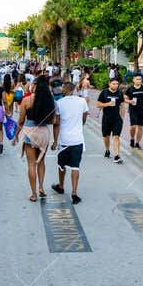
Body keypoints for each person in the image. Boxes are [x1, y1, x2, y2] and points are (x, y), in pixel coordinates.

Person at [20, 74, 58, 202]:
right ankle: (41, 187)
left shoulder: (26, 100)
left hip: (30, 132)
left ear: (35, 86)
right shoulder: (51, 101)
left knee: (31, 164)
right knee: (41, 162)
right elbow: (54, 121)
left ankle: (33, 194)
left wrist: (16, 136)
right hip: (44, 133)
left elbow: (20, 120)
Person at [52, 81, 89, 203]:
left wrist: (55, 141)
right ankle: (74, 192)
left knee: (61, 165)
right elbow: (84, 118)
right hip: (77, 139)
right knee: (75, 167)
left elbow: (56, 124)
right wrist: (79, 124)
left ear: (65, 90)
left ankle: (61, 186)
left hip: (64, 139)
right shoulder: (82, 101)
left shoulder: (59, 103)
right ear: (74, 90)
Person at [96, 75, 125, 162]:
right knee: (106, 137)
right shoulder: (104, 92)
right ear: (109, 84)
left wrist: (122, 117)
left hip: (117, 119)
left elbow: (122, 105)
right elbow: (98, 104)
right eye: (113, 84)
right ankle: (107, 150)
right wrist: (107, 104)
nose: (115, 85)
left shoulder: (120, 93)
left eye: (117, 84)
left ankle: (116, 156)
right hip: (106, 118)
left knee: (116, 137)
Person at [124, 72, 143, 149]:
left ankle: (137, 143)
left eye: (140, 79)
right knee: (133, 127)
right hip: (133, 110)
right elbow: (125, 98)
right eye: (137, 79)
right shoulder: (130, 89)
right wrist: (130, 101)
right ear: (133, 80)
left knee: (140, 127)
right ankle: (132, 138)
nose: (139, 81)